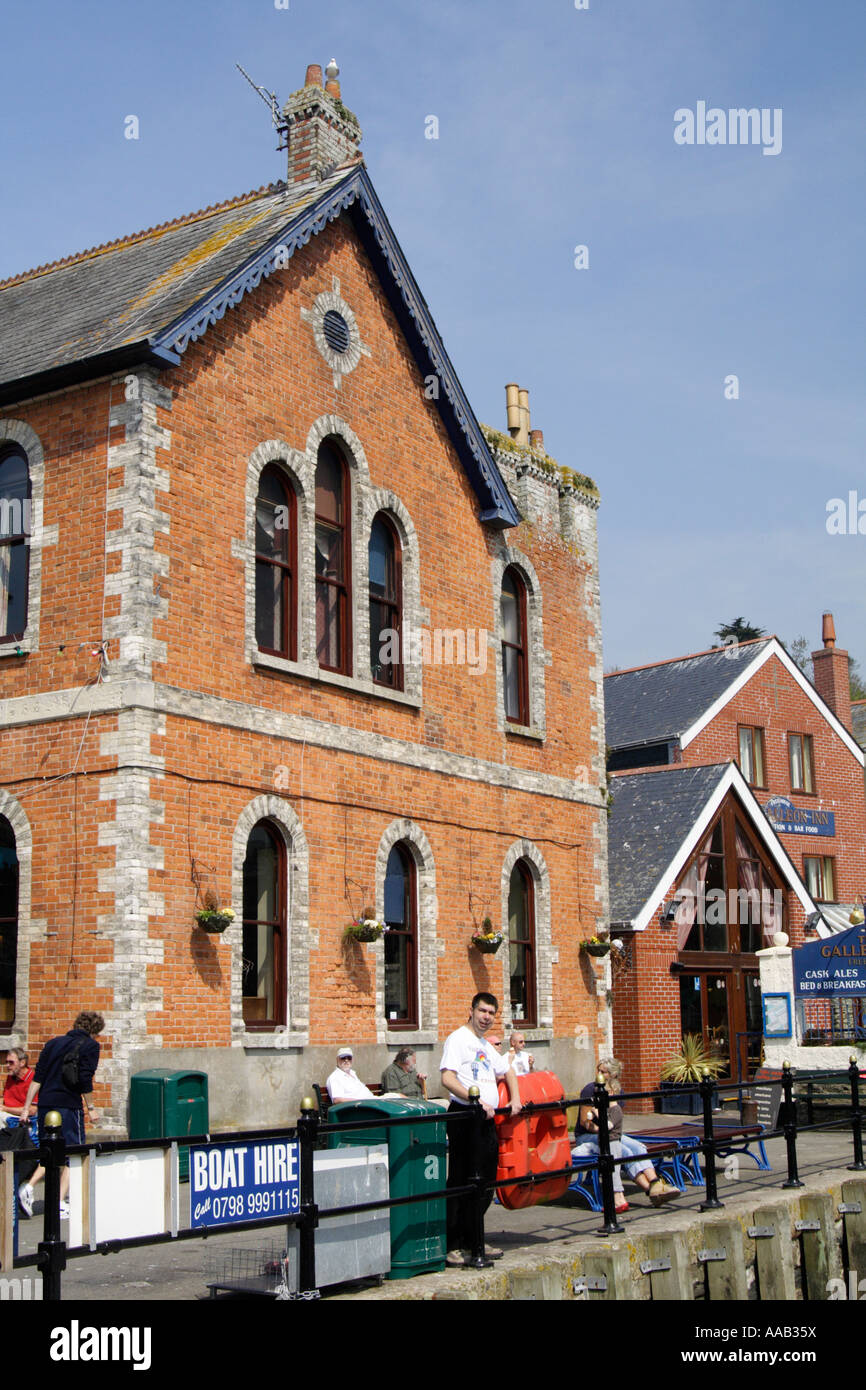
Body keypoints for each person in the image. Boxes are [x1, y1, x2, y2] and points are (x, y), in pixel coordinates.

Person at [439, 991, 522, 1267]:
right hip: (465, 1115)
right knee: (463, 1179)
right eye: (482, 1011)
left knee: (486, 1179)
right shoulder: (458, 1039)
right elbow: (447, 1078)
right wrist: (473, 1100)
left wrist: (515, 1098)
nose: (486, 1018)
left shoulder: (485, 1045)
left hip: (486, 1119)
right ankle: (453, 1244)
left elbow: (507, 1070)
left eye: (491, 1014)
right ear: (472, 1011)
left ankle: (474, 1237)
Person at [18, 1011, 105, 1220]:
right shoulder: (90, 1046)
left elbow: (38, 1077)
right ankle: (57, 1202)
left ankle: (31, 1189)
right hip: (68, 1105)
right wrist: (91, 1107)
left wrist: (26, 1107)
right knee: (73, 1154)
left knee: (49, 1152)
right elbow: (84, 1079)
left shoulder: (53, 1043)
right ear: (94, 1031)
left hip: (46, 1104)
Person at [572, 1057, 679, 1211]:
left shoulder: (617, 1091)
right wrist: (602, 1129)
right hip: (588, 1135)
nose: (599, 1074)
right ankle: (650, 1190)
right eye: (598, 1070)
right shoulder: (590, 1089)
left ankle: (655, 1183)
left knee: (638, 1147)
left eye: (604, 1072)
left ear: (614, 1075)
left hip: (608, 1133)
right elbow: (584, 1123)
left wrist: (607, 1129)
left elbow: (615, 1120)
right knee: (625, 1151)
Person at [3, 1048, 44, 1216]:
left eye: (11, 1062)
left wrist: (5, 1109)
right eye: (7, 1062)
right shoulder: (10, 1079)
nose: (7, 1065)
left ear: (22, 1062)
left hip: (28, 1122)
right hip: (11, 1119)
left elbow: (33, 1110)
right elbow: (7, 1101)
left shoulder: (32, 1079)